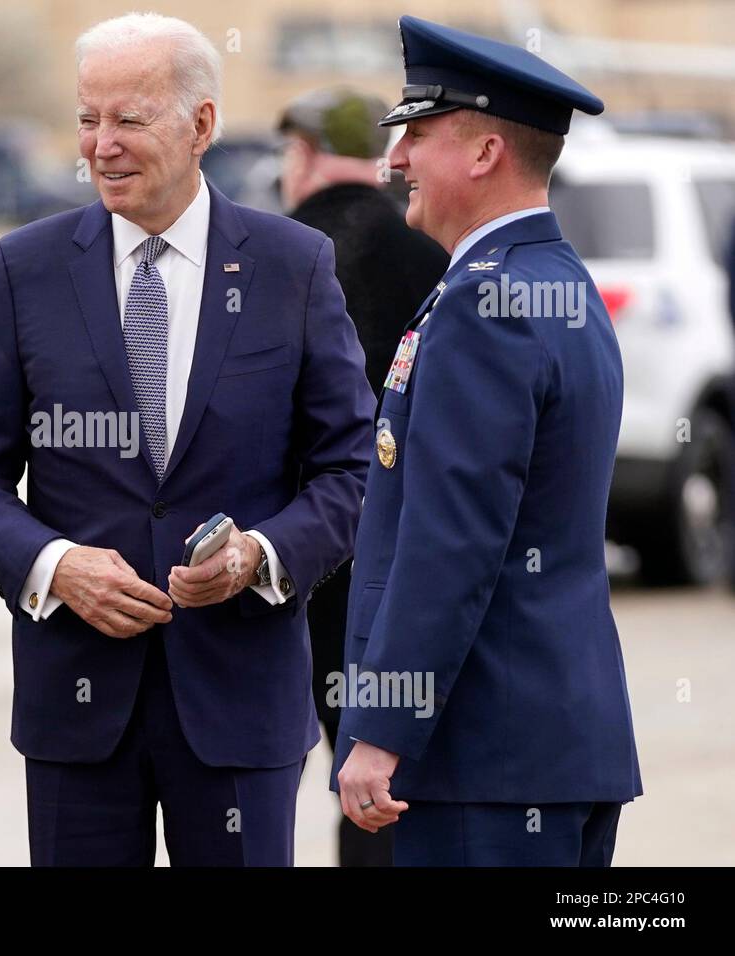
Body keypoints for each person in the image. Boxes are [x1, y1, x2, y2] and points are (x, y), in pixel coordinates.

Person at [0, 13, 373, 867]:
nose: (101, 146)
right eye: (88, 119)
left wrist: (262, 555)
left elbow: (351, 468)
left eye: (129, 120)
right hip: (79, 708)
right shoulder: (25, 269)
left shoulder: (294, 265)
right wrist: (56, 564)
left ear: (201, 125)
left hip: (240, 704)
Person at [330, 15, 643, 866]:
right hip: (555, 747)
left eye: (417, 135)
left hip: (482, 763)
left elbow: (452, 543)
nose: (394, 160)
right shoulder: (558, 280)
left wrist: (384, 730)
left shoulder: (482, 305)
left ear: (483, 154)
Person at [278, 86, 448, 867]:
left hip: (298, 558)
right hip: (414, 559)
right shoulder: (436, 246)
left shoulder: (275, 251)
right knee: (386, 781)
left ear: (305, 154)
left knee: (287, 769)